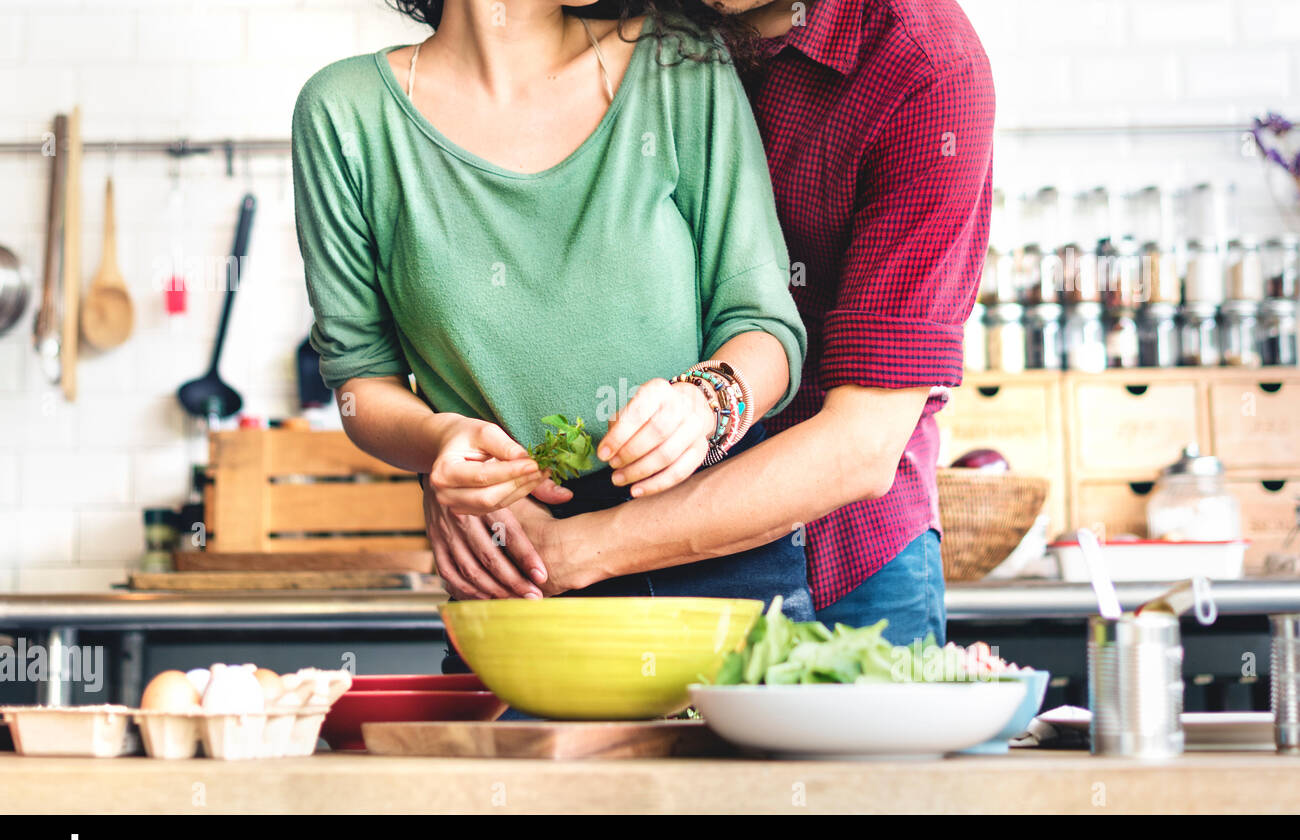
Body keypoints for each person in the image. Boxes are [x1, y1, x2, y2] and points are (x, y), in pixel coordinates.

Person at [423, 0, 995, 646]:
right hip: (576, 532)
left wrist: (569, 551)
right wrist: (453, 469)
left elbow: (860, 447)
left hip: (842, 558)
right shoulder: (611, 13)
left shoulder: (924, 65)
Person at [291, 0, 812, 615]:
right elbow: (362, 383)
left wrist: (707, 403)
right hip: (516, 574)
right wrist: (441, 442)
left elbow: (764, 324)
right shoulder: (344, 113)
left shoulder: (676, 59)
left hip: (716, 561)